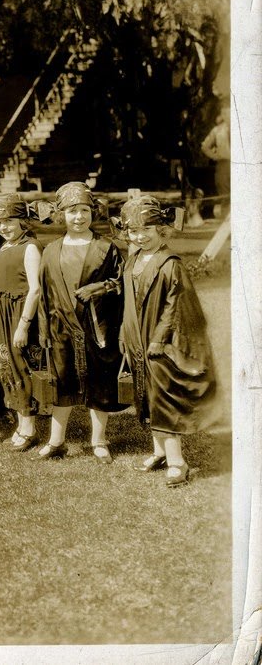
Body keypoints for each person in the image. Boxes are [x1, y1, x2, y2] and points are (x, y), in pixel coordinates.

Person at [118, 195, 217, 487]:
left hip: (161, 343)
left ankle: (178, 462)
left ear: (161, 229)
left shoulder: (169, 263)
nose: (139, 236)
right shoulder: (133, 258)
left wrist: (160, 340)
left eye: (146, 230)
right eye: (133, 231)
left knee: (163, 399)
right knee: (147, 397)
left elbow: (176, 305)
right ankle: (159, 452)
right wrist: (125, 332)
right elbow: (129, 299)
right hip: (137, 336)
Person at [33, 182, 124, 463]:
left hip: (98, 328)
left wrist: (100, 288)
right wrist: (45, 330)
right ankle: (56, 441)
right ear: (62, 214)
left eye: (84, 210)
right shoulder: (51, 251)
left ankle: (98, 441)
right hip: (61, 329)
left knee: (100, 384)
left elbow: (122, 285)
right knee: (62, 384)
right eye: (72, 211)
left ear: (93, 212)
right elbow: (44, 295)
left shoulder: (107, 249)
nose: (79, 217)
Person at [0, 194, 43, 452]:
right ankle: (21, 422)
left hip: (18, 315)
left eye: (9, 220)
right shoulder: (5, 246)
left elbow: (34, 290)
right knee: (6, 366)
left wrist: (23, 325)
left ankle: (29, 427)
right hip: (0, 314)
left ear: (22, 220)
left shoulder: (29, 247)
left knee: (21, 367)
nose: (4, 227)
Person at [200, 106, 230, 219]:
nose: (228, 116)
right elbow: (205, 146)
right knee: (225, 196)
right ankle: (227, 227)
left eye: (230, 113)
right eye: (225, 113)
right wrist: (215, 156)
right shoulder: (217, 130)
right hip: (223, 164)